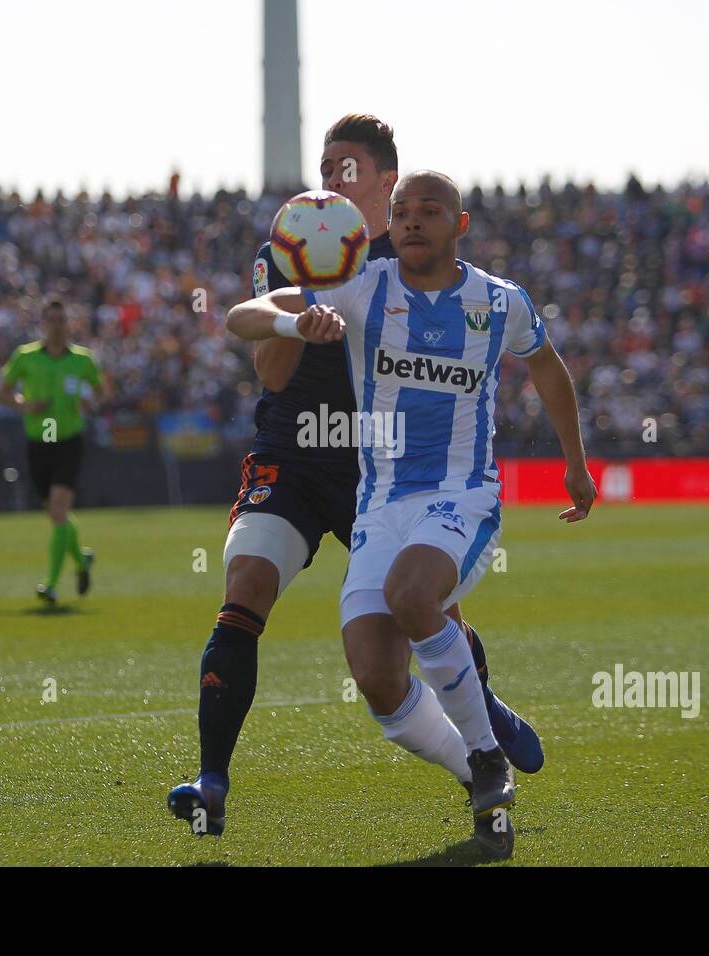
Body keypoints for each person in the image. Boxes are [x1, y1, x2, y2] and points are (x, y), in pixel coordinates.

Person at [168, 116, 542, 839]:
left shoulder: (412, 250)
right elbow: (270, 374)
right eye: (325, 164)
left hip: (386, 464)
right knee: (244, 585)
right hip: (296, 453)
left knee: (431, 612)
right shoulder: (288, 245)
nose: (331, 179)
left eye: (347, 167)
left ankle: (484, 721)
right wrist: (295, 320)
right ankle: (212, 780)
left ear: (385, 181)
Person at [225, 170, 597, 857]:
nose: (413, 221)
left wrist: (574, 462)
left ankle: (486, 752)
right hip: (382, 504)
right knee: (376, 678)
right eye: (401, 212)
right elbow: (238, 318)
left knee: (409, 594)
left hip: (463, 495)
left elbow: (546, 365)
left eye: (430, 210)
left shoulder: (497, 299)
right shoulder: (365, 287)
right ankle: (486, 784)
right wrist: (291, 321)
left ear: (460, 224)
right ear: (389, 226)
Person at [0, 297, 108, 605]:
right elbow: (3, 393)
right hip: (38, 442)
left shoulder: (82, 360)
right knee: (56, 514)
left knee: (58, 511)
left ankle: (51, 584)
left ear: (68, 324)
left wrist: (91, 403)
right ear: (43, 325)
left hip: (69, 440)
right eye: (52, 321)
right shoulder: (26, 357)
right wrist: (25, 405)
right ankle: (82, 561)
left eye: (62, 320)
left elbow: (101, 393)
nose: (57, 326)